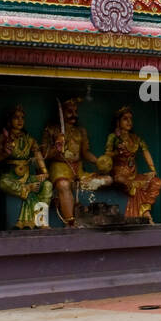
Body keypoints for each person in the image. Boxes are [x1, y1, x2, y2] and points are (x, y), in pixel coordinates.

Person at [40, 97, 100, 227]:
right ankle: (71, 222)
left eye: (75, 111)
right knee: (63, 185)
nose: (74, 114)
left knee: (106, 179)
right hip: (59, 167)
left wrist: (99, 162)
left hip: (78, 168)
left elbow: (85, 153)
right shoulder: (51, 130)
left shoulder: (80, 131)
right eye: (70, 111)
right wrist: (57, 148)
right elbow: (44, 155)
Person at [0, 105, 53, 229]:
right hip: (11, 177)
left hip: (27, 177)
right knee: (3, 183)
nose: (20, 121)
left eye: (22, 118)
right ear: (9, 120)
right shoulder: (4, 138)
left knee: (47, 185)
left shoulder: (29, 139)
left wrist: (44, 171)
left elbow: (38, 155)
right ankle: (28, 192)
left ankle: (39, 220)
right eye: (16, 118)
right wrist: (5, 153)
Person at [101, 106, 161, 222]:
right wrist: (117, 152)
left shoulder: (135, 138)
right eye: (125, 119)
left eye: (130, 119)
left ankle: (144, 209)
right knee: (124, 181)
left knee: (157, 182)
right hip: (120, 175)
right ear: (118, 122)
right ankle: (145, 214)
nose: (129, 122)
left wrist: (153, 170)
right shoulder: (113, 137)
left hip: (134, 175)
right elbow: (106, 156)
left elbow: (146, 151)